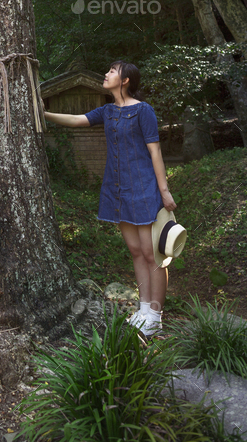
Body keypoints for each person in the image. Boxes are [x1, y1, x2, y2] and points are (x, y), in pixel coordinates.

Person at [43, 60, 176, 337]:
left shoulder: (144, 111)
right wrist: (44, 115)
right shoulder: (107, 111)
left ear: (125, 80)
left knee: (153, 255)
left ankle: (155, 314)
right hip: (117, 189)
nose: (106, 74)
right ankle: (142, 309)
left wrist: (164, 191)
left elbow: (155, 153)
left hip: (143, 187)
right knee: (136, 251)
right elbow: (78, 120)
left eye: (112, 71)